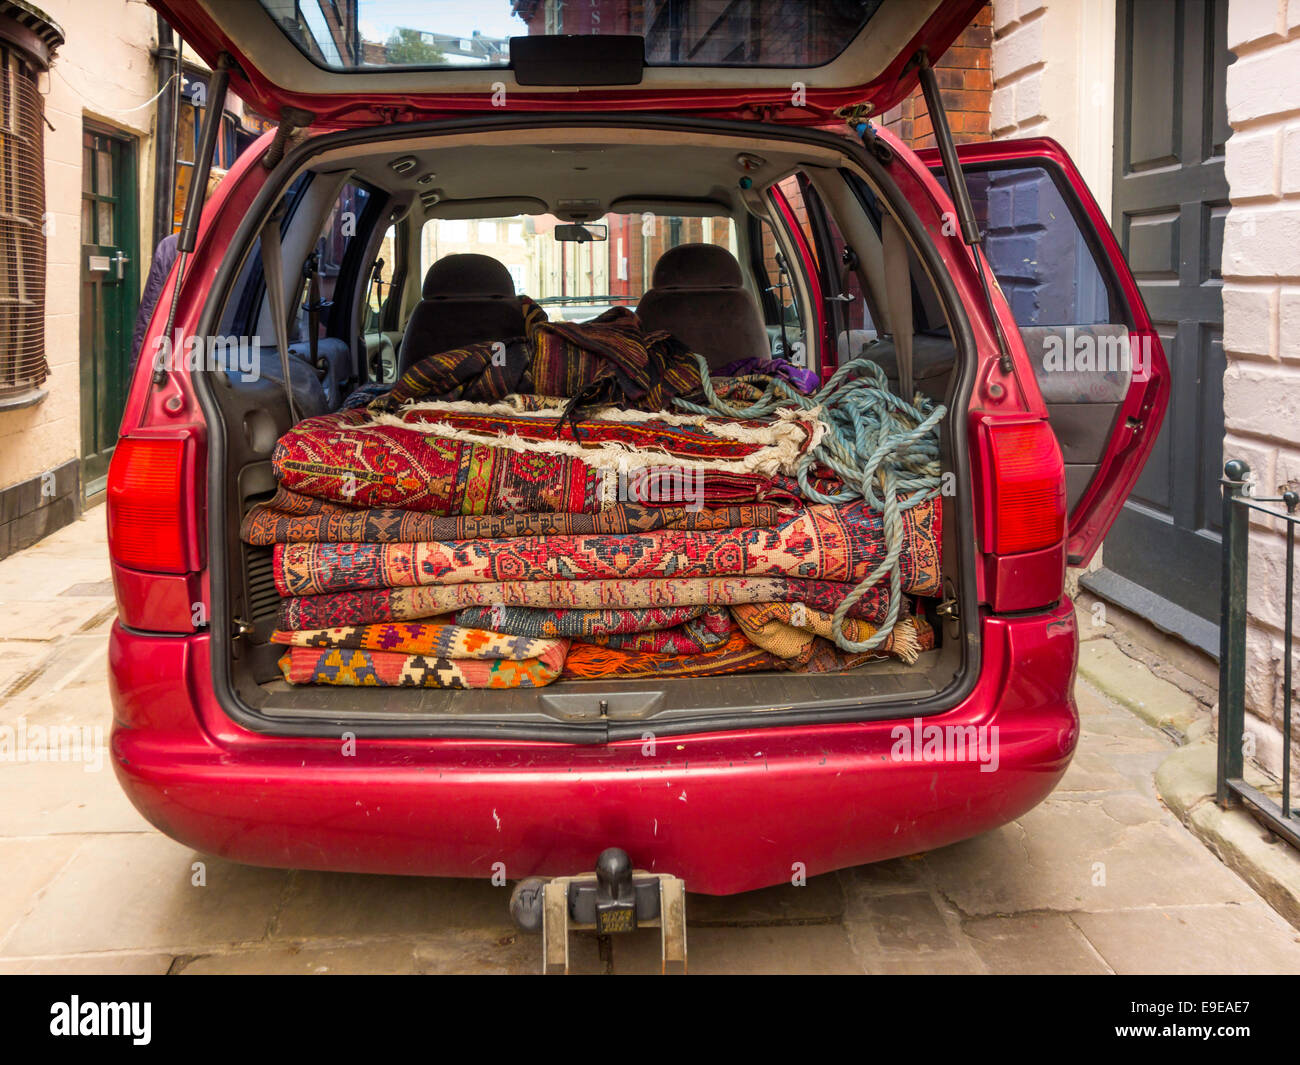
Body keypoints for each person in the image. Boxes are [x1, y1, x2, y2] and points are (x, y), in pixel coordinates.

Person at [130, 167, 227, 367]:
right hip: (231, 357)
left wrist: (139, 367)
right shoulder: (248, 248)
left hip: (180, 358)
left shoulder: (172, 246)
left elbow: (150, 315)